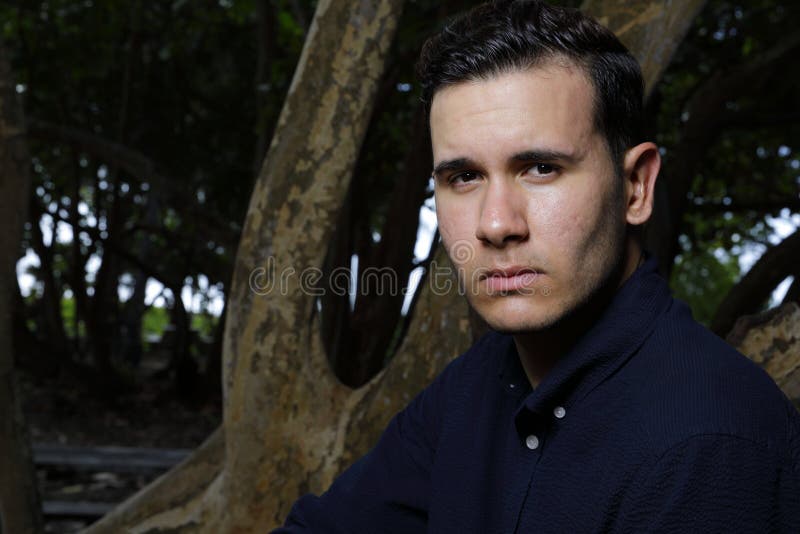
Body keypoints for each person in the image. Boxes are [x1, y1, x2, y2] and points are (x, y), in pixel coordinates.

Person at [275, 0, 800, 532]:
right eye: (463, 178)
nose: (497, 224)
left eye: (541, 168)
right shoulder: (475, 385)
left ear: (636, 187)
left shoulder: (707, 444)